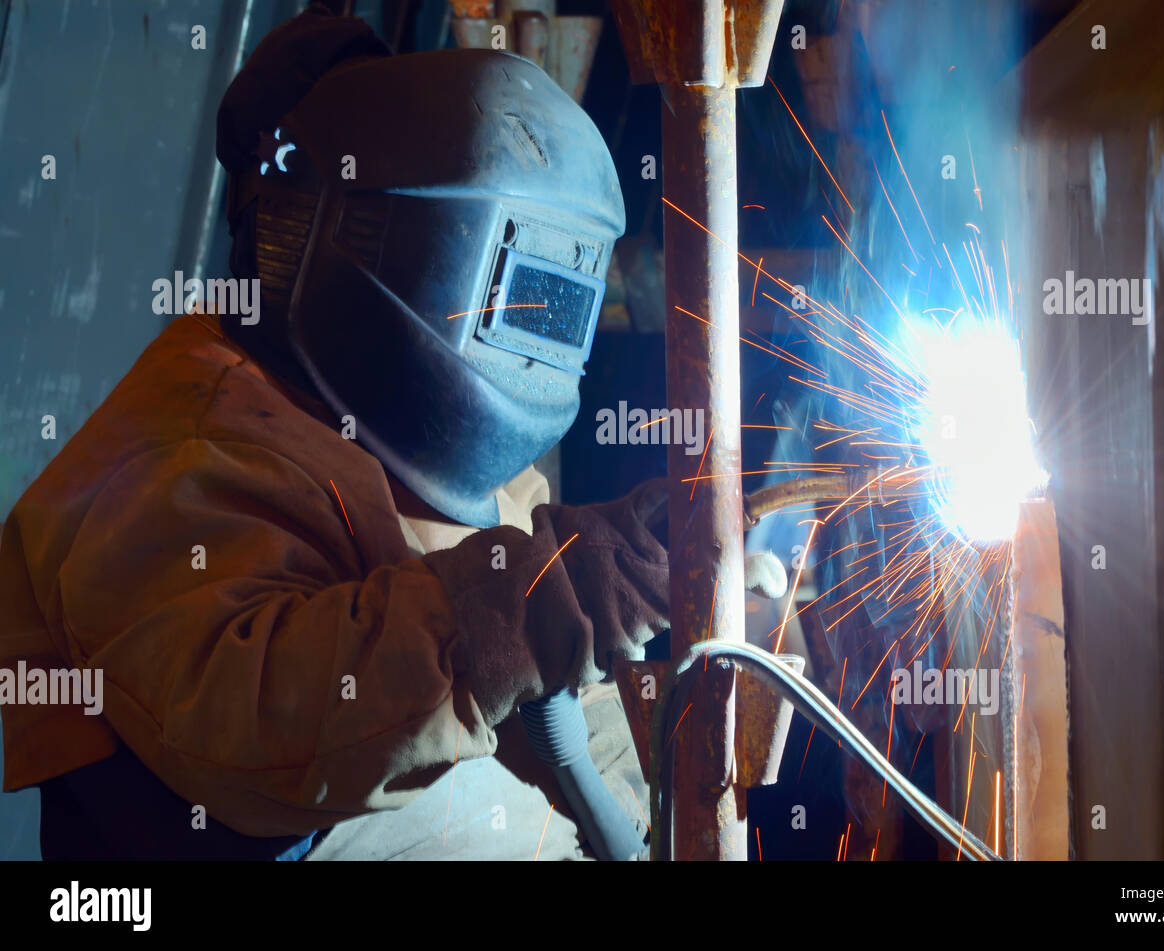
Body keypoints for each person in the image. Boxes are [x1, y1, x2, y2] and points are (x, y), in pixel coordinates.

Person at [0, 5, 784, 861]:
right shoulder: (176, 447)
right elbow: (262, 723)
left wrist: (676, 746)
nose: (536, 331)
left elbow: (562, 702)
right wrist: (568, 594)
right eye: (519, 299)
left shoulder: (432, 444)